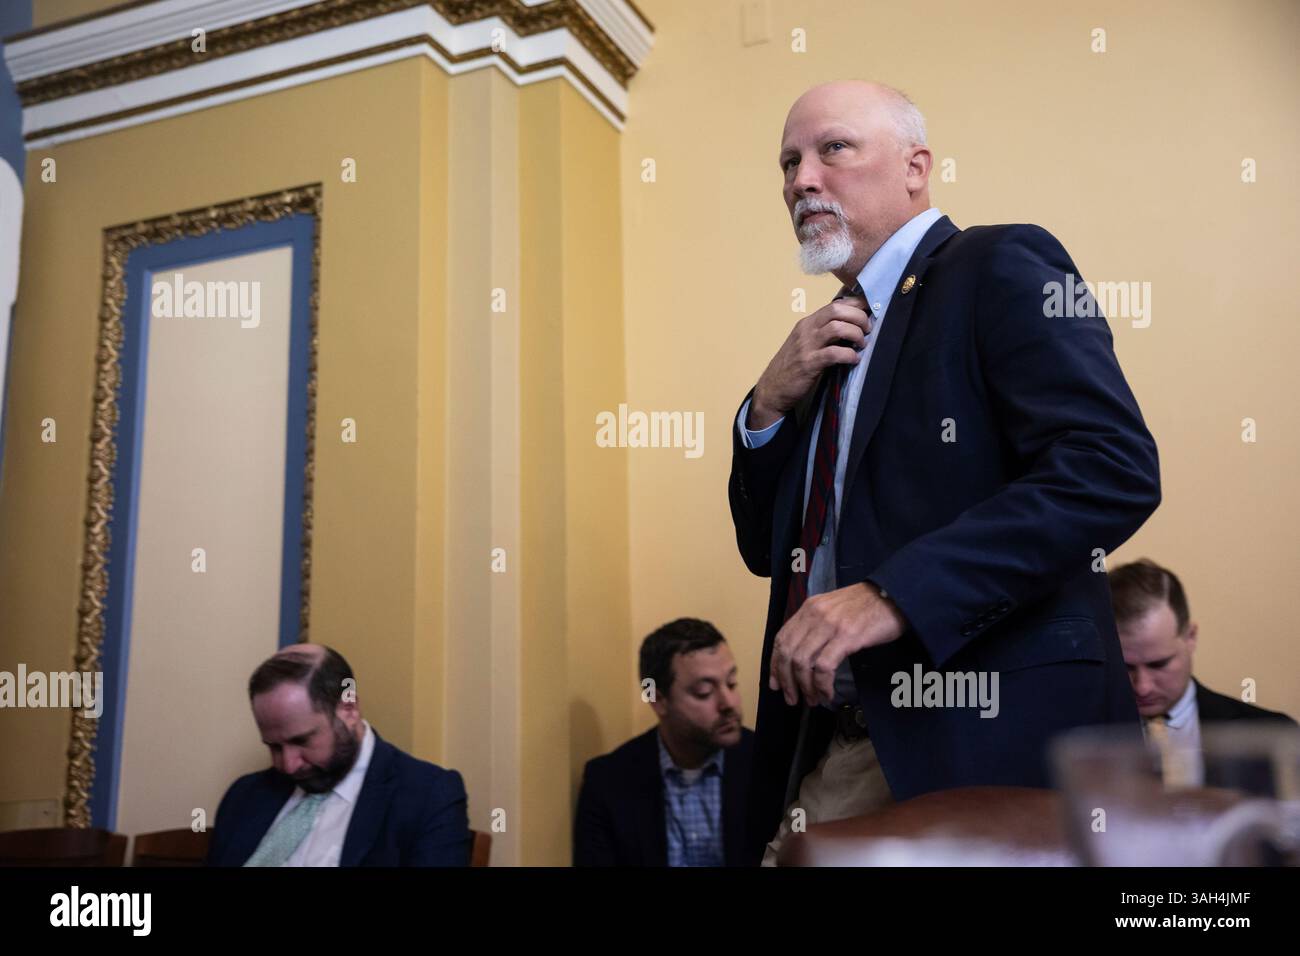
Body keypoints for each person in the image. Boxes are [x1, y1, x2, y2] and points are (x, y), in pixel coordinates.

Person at [729, 80, 1161, 865]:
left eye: (834, 149)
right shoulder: (823, 346)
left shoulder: (999, 262)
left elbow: (1110, 467)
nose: (801, 180)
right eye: (788, 162)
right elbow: (767, 548)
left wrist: (893, 594)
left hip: (988, 745)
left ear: (916, 167)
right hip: (836, 746)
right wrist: (763, 408)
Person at [207, 643, 471, 866]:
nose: (288, 765)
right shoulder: (244, 796)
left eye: (301, 740)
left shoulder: (429, 796)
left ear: (349, 709)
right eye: (274, 746)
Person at [574, 619, 754, 866]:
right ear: (658, 700)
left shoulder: (768, 763)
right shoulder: (608, 782)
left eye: (731, 683)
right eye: (704, 691)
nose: (728, 703)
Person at [1109, 558, 1295, 743]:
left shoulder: (1274, 736)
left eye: (1159, 664)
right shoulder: (1081, 737)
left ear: (1191, 636)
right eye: (1126, 667)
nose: (1143, 688)